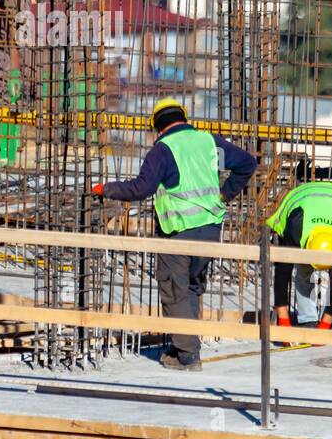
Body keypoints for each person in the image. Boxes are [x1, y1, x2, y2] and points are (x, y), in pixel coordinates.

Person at [91, 98, 258, 371]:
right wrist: (226, 193)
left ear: (157, 127)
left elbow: (140, 189)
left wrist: (106, 189)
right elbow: (248, 163)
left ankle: (188, 356)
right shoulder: (208, 142)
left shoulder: (162, 150)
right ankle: (184, 345)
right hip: (211, 229)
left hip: (180, 232)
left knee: (174, 290)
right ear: (184, 118)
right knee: (191, 287)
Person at [266, 178, 332, 330]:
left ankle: (318, 321)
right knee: (304, 271)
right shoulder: (297, 226)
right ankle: (307, 319)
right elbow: (282, 272)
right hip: (302, 199)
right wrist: (284, 322)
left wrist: (325, 325)